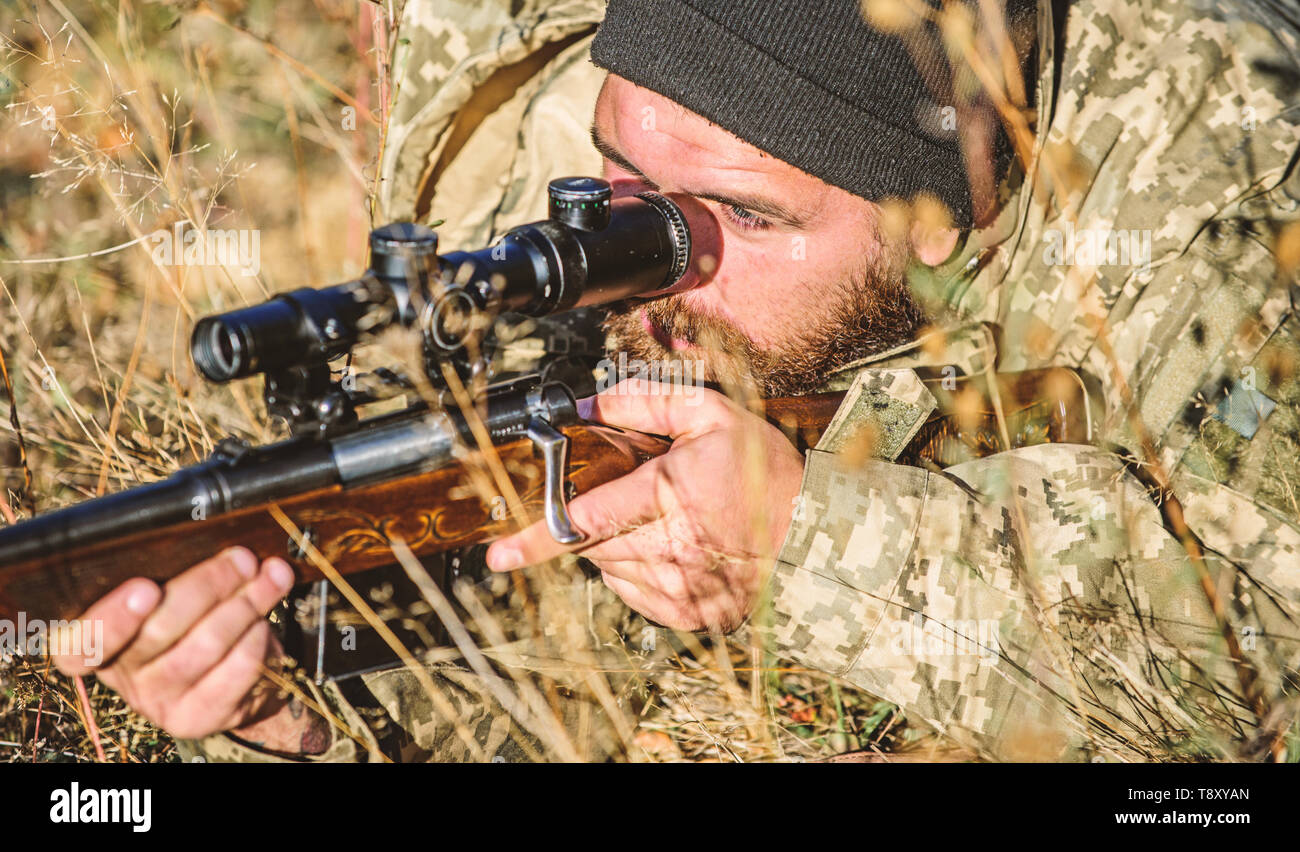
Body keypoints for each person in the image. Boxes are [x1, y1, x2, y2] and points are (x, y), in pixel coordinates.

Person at [53, 0, 1300, 762]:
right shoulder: (559, 179)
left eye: (737, 223)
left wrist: (816, 546)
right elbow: (543, 695)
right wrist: (293, 715)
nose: (651, 272)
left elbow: (1262, 666)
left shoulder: (1220, 161)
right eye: (624, 188)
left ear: (942, 214)